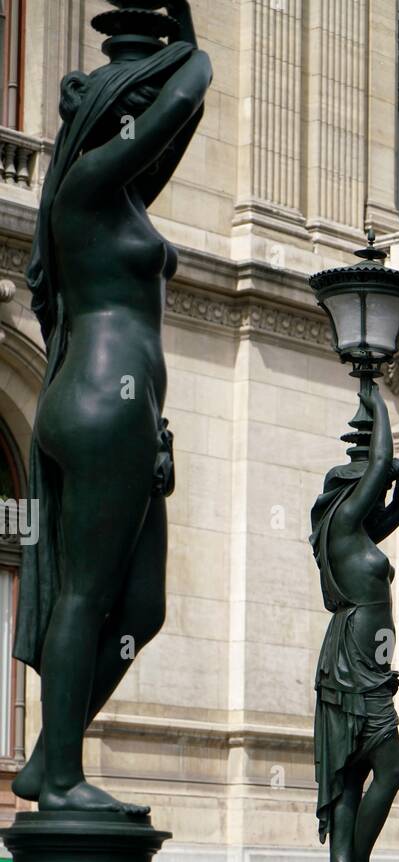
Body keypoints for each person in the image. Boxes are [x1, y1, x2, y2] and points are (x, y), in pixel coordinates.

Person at [13, 1, 211, 812]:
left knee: (143, 607)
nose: (143, 120)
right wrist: (183, 32)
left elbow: (181, 111)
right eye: (129, 105)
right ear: (106, 113)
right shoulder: (87, 184)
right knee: (89, 597)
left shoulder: (121, 193)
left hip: (126, 414)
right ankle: (60, 777)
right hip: (99, 405)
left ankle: (42, 760)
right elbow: (191, 85)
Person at [309, 381, 399, 862]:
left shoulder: (358, 534)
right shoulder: (345, 524)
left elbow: (397, 508)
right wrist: (377, 399)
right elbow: (379, 466)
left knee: (352, 768)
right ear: (350, 496)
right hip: (354, 660)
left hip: (360, 660)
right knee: (390, 767)